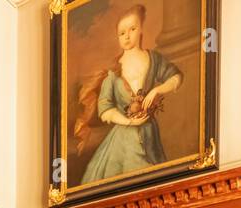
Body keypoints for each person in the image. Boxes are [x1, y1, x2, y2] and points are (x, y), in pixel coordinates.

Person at [75, 4, 183, 186]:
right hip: (124, 137)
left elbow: (176, 77)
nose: (126, 36)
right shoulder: (113, 71)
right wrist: (130, 121)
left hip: (149, 132)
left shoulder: (153, 59)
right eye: (121, 33)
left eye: (132, 29)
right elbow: (105, 108)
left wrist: (157, 89)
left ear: (141, 29)